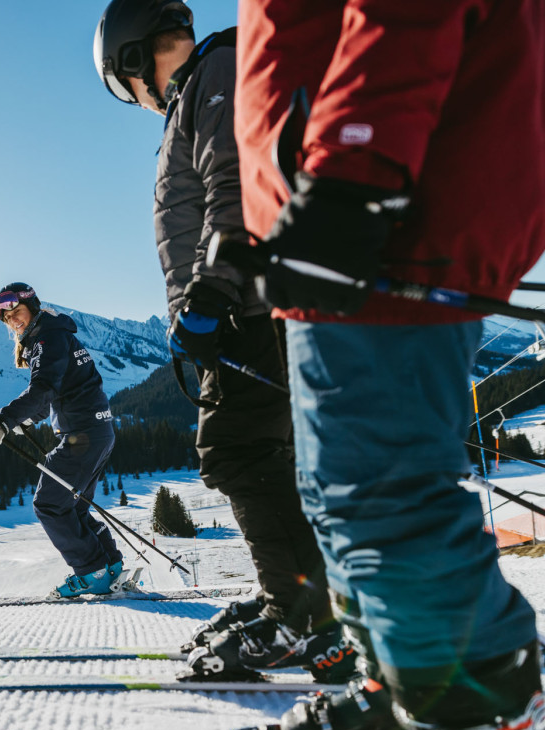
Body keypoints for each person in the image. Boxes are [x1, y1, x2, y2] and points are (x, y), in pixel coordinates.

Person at [218, 2, 545, 730]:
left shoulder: (361, 186)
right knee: (340, 497)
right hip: (352, 217)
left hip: (382, 213)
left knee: (385, 501)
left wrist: (351, 174)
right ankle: (405, 690)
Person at [93, 0, 352, 684]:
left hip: (245, 302)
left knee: (239, 447)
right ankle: (301, 601)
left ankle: (298, 617)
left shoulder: (214, 70)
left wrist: (211, 287)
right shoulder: (217, 73)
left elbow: (236, 175)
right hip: (251, 297)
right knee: (277, 454)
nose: (139, 102)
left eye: (127, 90)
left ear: (132, 59)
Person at [0, 283, 124, 597]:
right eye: (7, 318)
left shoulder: (47, 337)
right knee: (74, 508)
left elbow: (43, 388)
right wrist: (25, 419)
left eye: (16, 311)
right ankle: (109, 565)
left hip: (82, 435)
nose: (13, 320)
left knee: (49, 505)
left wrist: (3, 421)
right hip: (97, 432)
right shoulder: (53, 334)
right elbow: (56, 392)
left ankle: (91, 572)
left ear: (32, 306)